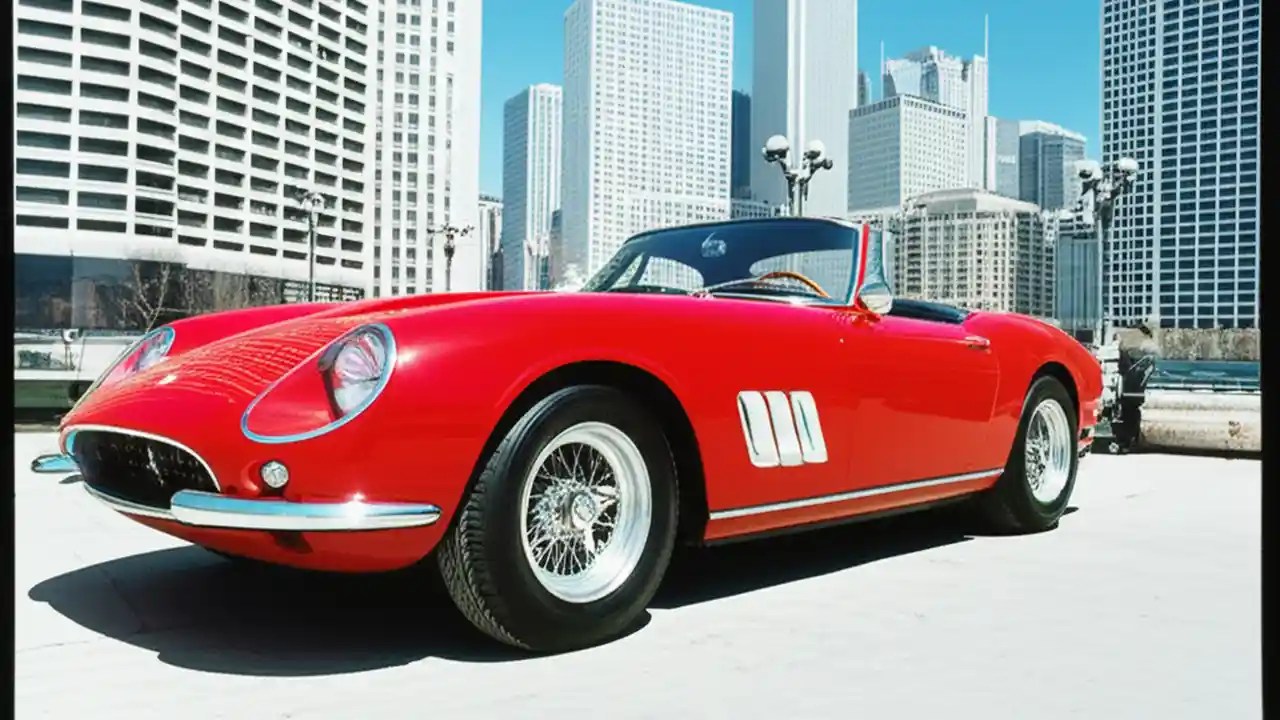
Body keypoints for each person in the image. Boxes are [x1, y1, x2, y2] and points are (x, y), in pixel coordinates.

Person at [1113, 324, 1160, 451]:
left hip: (1130, 385)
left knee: (1129, 412)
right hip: (1132, 385)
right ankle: (1128, 440)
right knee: (1131, 412)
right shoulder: (1141, 346)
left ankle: (1127, 440)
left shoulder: (1133, 345)